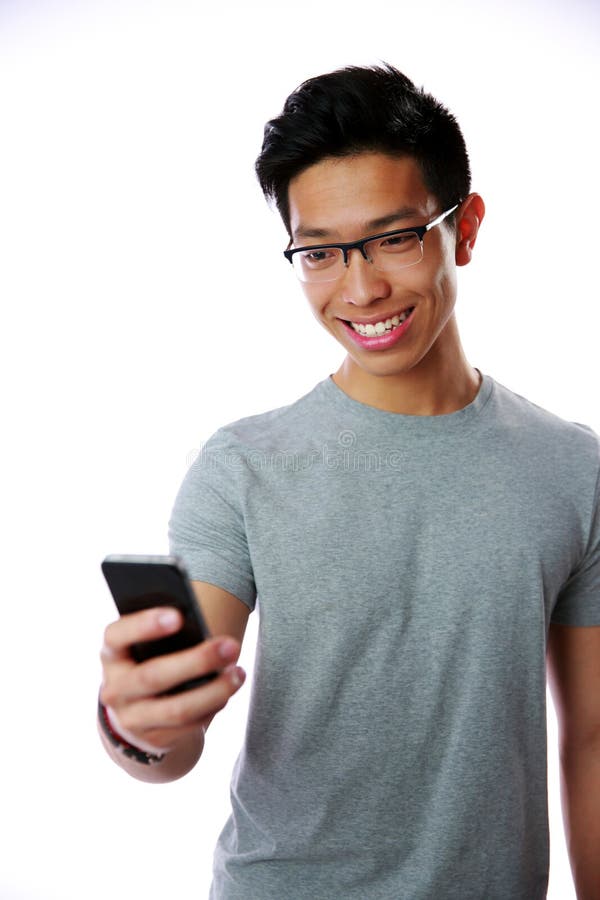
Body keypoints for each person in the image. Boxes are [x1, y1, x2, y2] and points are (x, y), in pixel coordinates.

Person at [98, 64, 600, 900]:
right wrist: (137, 726)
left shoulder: (575, 469)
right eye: (320, 253)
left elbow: (591, 736)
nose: (360, 288)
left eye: (394, 238)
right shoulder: (244, 468)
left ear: (463, 228)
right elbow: (173, 738)